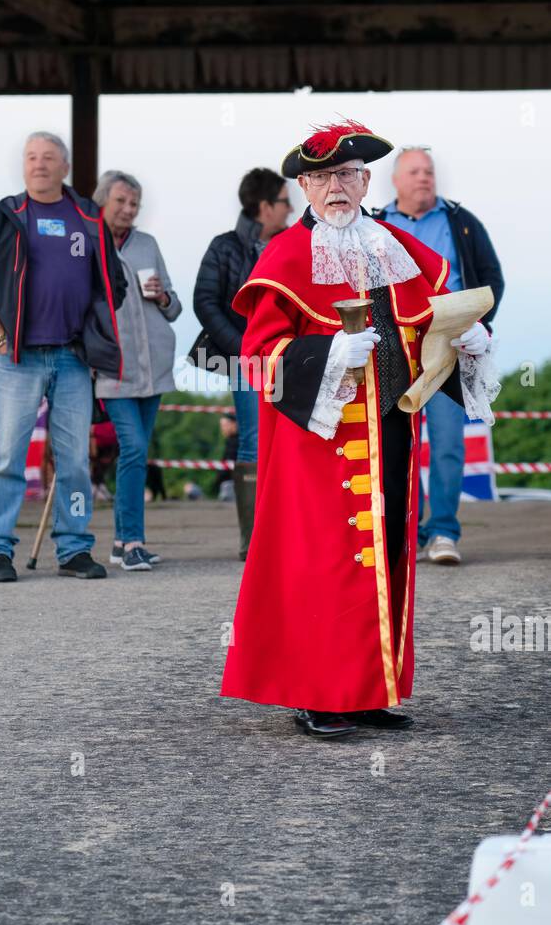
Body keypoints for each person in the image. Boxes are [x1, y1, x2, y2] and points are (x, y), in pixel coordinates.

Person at [220, 119, 499, 739]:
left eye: (346, 175)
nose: (336, 187)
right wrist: (323, 357)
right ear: (305, 189)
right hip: (322, 443)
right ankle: (318, 694)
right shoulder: (288, 255)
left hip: (392, 433)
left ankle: (369, 689)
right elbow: (257, 353)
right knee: (324, 563)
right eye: (321, 178)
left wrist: (470, 342)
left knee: (385, 559)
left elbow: (431, 329)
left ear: (366, 179)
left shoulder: (392, 246)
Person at [0, 132, 125, 582]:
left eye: (48, 157)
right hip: (16, 358)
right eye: (31, 157)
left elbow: (113, 283)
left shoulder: (88, 216)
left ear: (65, 167)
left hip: (73, 358)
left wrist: (95, 335)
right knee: (7, 457)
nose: (39, 164)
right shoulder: (4, 215)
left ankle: (73, 549)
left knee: (74, 462)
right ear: (23, 166)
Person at [373, 148, 504, 565]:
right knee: (400, 443)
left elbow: (491, 278)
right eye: (414, 171)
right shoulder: (376, 225)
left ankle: (444, 531)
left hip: (451, 345)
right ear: (396, 180)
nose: (424, 178)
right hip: (398, 349)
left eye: (428, 171)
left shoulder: (461, 223)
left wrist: (479, 325)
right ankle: (410, 530)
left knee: (448, 443)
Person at [192, 168, 292, 558]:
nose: (290, 209)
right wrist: (243, 348)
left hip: (291, 358)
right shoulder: (224, 247)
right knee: (253, 438)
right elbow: (205, 302)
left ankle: (288, 532)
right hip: (247, 360)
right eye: (285, 201)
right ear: (265, 207)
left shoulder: (296, 243)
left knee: (293, 439)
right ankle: (253, 541)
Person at [93, 170, 181, 572]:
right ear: (102, 202)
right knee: (132, 449)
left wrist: (162, 295)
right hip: (113, 369)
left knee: (137, 454)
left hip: (155, 365)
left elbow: (174, 307)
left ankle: (119, 541)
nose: (128, 210)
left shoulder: (147, 244)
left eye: (134, 205)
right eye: (121, 203)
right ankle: (133, 543)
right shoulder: (87, 245)